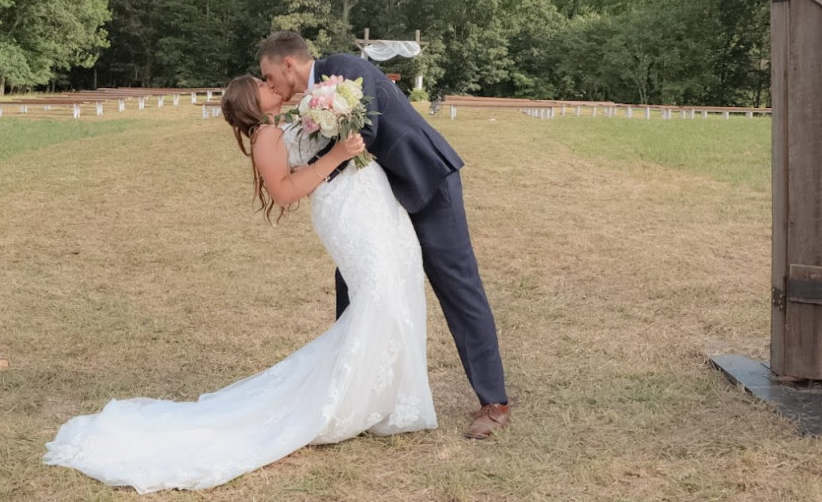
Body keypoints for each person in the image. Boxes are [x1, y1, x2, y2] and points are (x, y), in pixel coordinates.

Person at [43, 75, 436, 493]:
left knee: (393, 288)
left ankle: (387, 394)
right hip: (345, 212)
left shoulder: (280, 125)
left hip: (365, 203)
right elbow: (284, 193)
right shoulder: (265, 135)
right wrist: (337, 154)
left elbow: (299, 163)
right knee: (378, 295)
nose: (271, 85)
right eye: (264, 85)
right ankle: (360, 398)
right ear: (254, 101)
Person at [258, 30, 511, 439]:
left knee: (458, 286)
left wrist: (309, 172)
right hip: (375, 202)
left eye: (269, 76)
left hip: (425, 182)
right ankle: (352, 393)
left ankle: (494, 401)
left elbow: (365, 133)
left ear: (289, 63)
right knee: (356, 282)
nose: (270, 86)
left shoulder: (346, 69)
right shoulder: (306, 102)